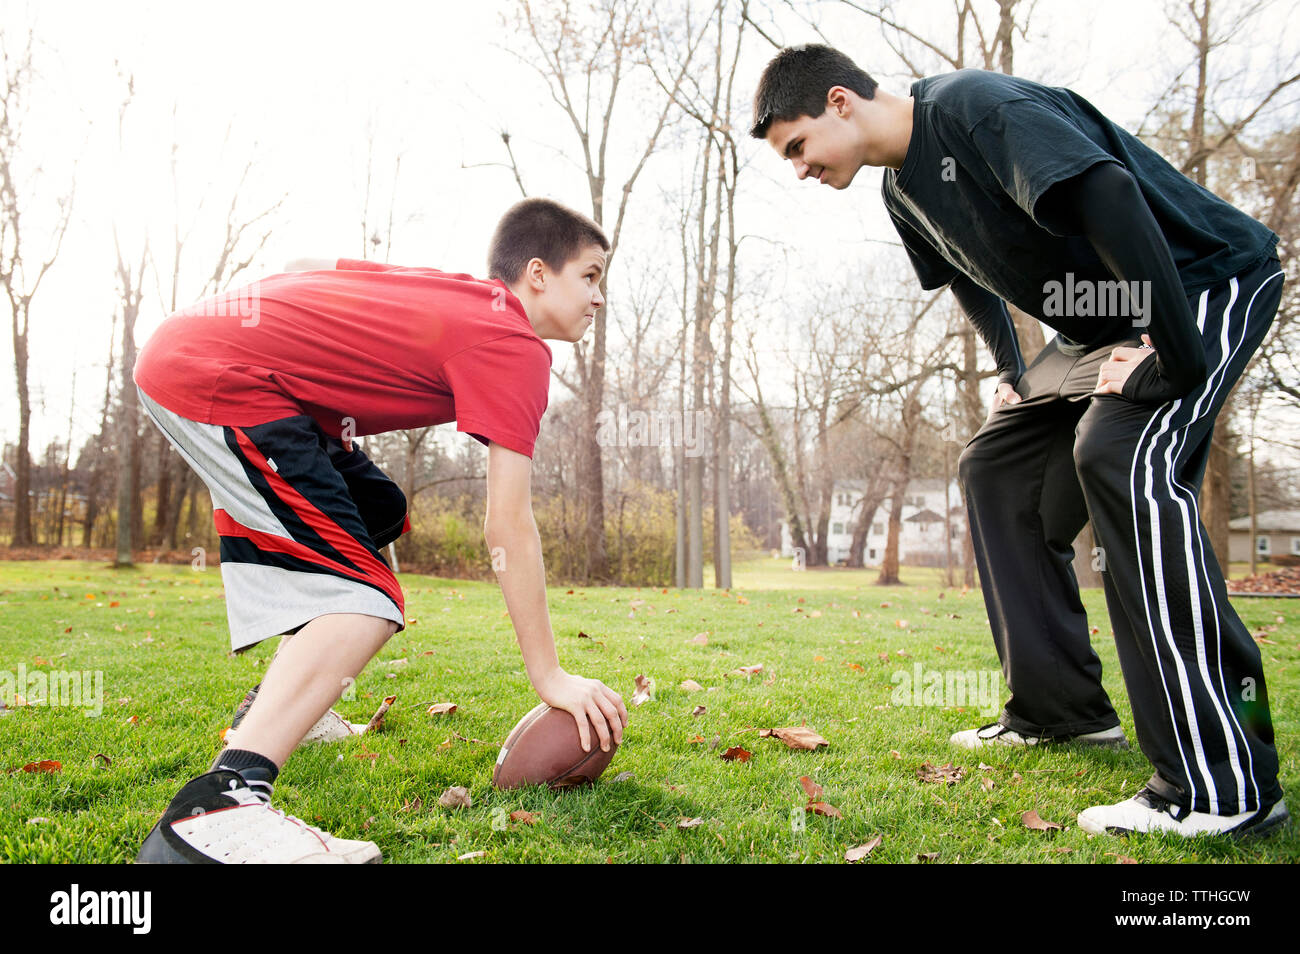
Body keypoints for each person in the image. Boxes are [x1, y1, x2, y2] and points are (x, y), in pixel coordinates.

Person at [751, 44, 1287, 838]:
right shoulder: (902, 193)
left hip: (1201, 283)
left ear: (838, 102)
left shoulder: (973, 108)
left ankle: (1223, 780)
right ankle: (1060, 710)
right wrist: (1014, 370)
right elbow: (970, 274)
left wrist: (1170, 355)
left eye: (796, 146)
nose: (797, 169)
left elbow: (1109, 192)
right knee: (994, 470)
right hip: (1091, 328)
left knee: (1120, 456)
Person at [133, 197, 629, 863]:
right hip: (224, 377)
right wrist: (551, 676)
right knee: (365, 600)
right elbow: (508, 524)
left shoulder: (455, 294)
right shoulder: (516, 347)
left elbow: (304, 264)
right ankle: (220, 804)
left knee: (378, 509)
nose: (600, 297)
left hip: (217, 361)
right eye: (591, 276)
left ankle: (286, 705)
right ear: (538, 274)